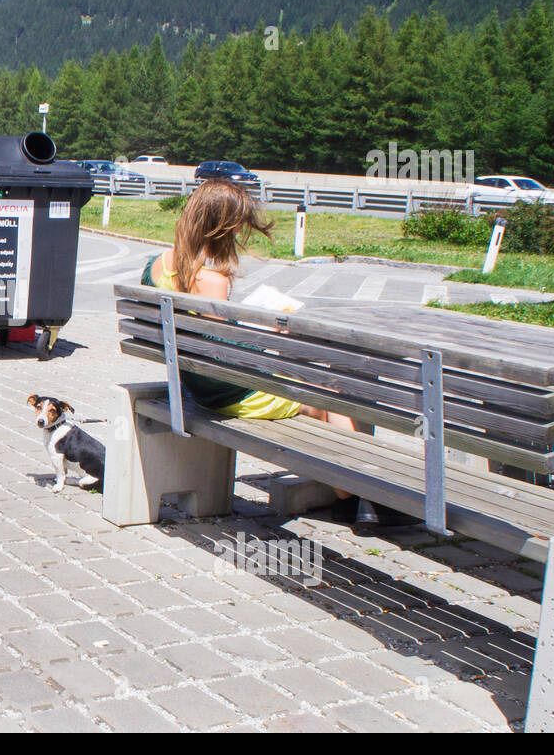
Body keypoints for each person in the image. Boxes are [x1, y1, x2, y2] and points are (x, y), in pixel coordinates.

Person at [143, 177, 412, 534]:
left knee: (325, 387)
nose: (239, 233)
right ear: (221, 226)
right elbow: (226, 350)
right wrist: (268, 334)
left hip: (195, 385)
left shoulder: (156, 266)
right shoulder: (210, 279)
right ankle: (364, 500)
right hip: (229, 394)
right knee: (335, 392)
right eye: (236, 226)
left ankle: (354, 498)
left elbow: (208, 342)